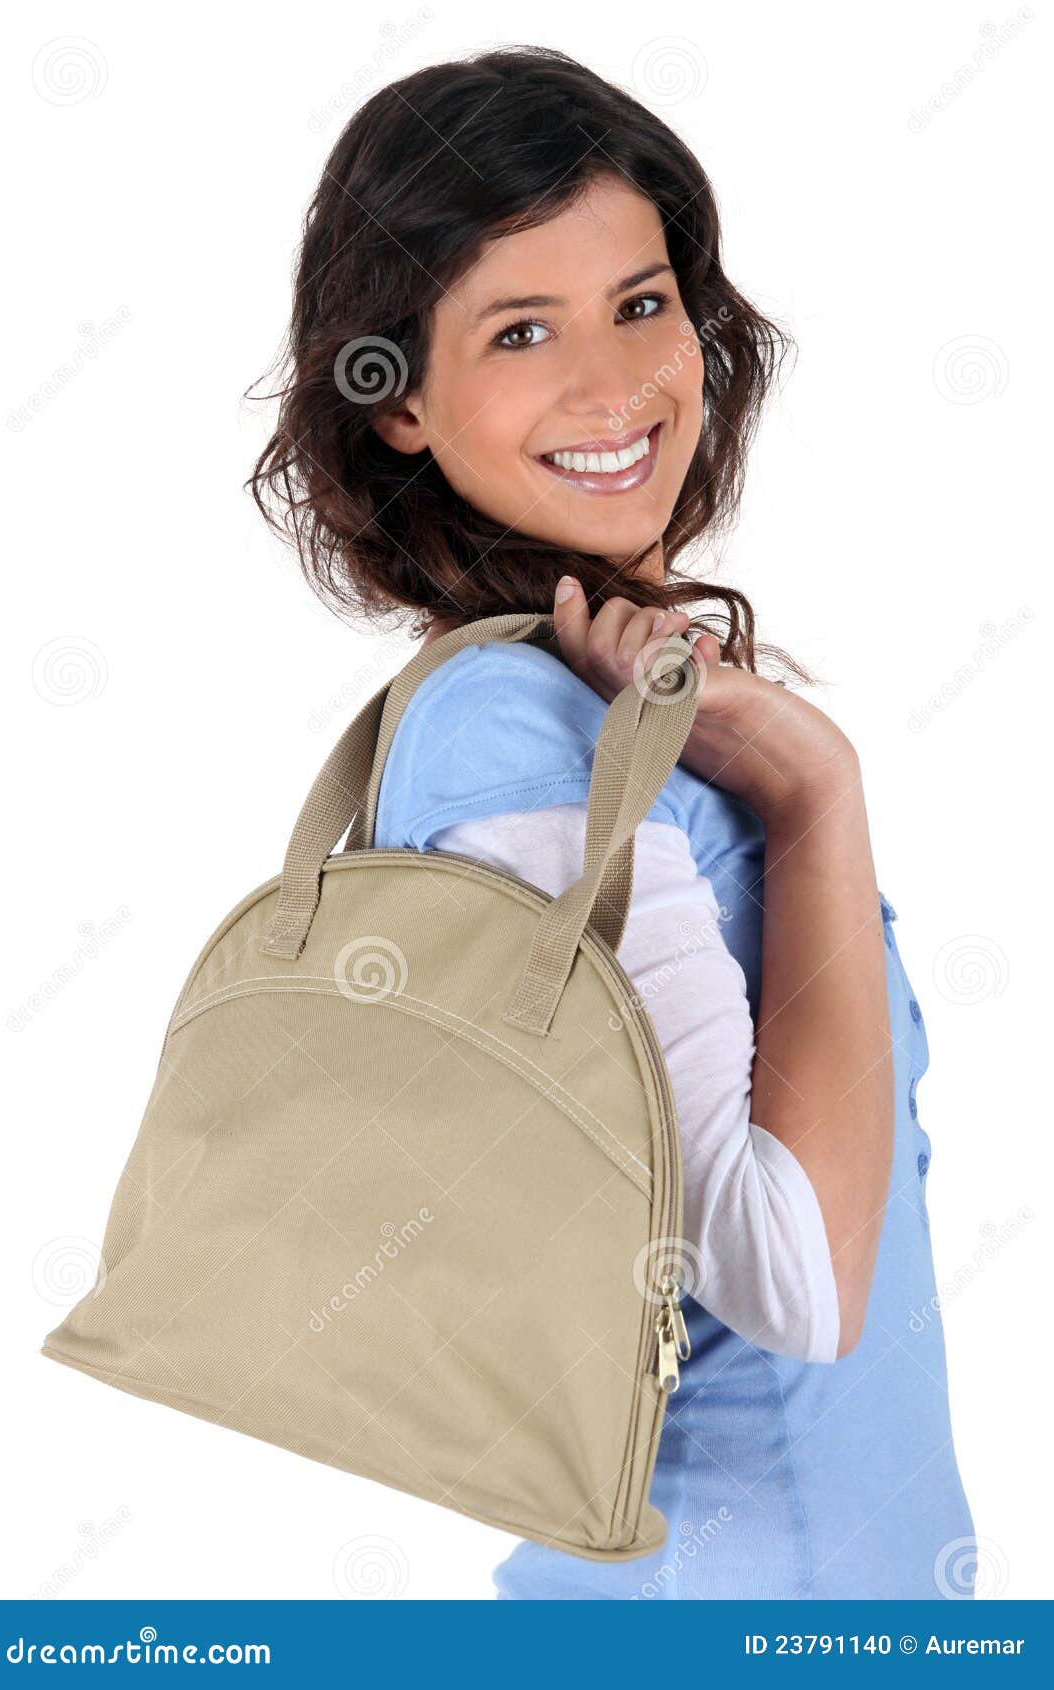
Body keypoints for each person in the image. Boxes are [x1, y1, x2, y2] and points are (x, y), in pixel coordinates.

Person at [248, 43, 975, 1598]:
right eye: (522, 329)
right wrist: (819, 799)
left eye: (643, 304)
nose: (614, 383)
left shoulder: (632, 710)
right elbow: (791, 1281)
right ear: (398, 405)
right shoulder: (518, 738)